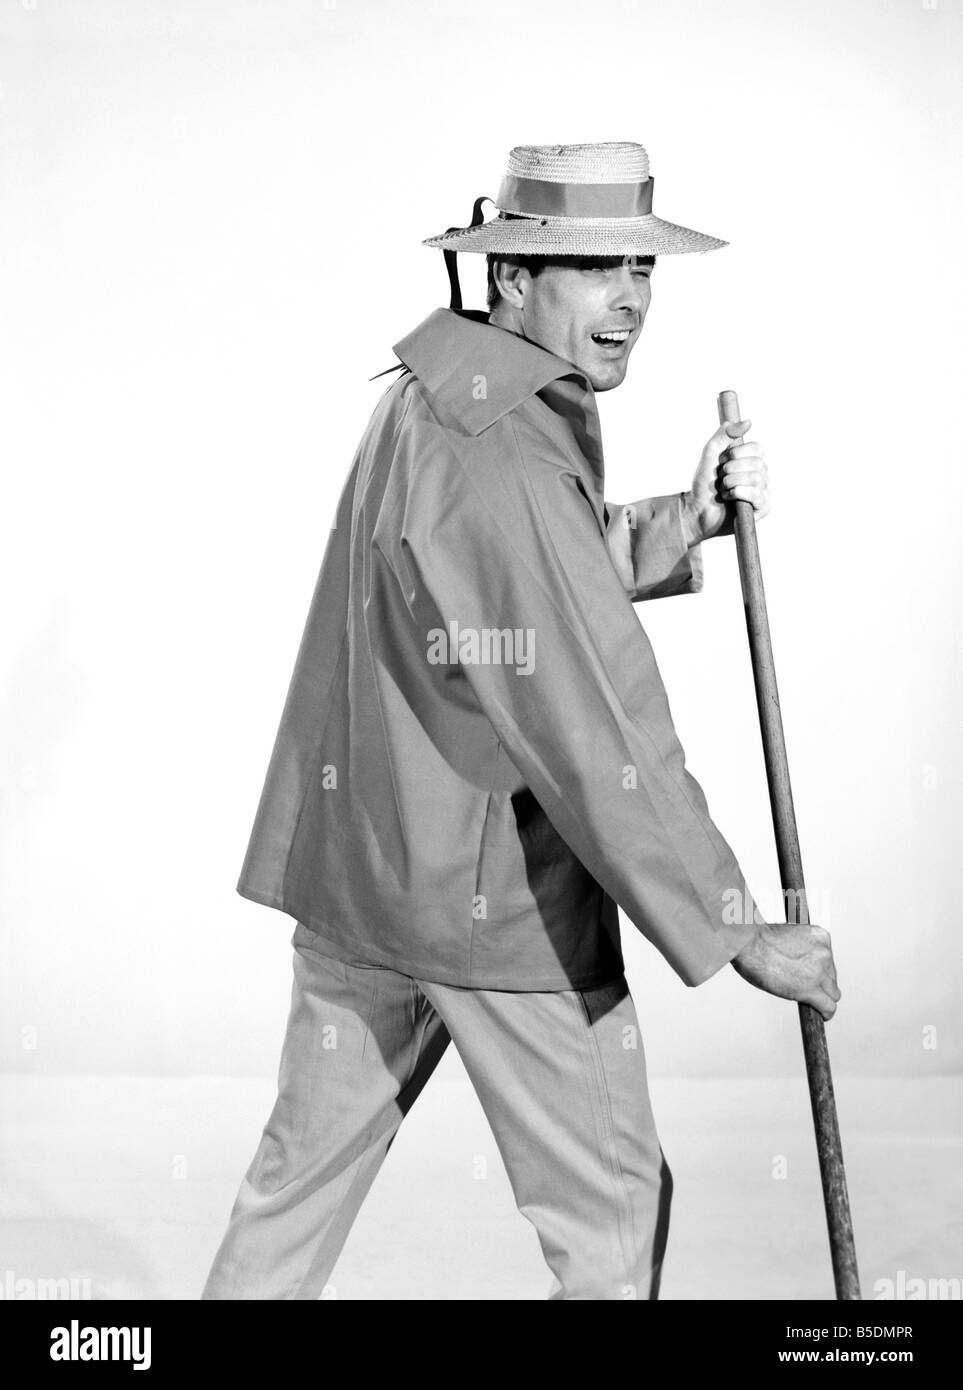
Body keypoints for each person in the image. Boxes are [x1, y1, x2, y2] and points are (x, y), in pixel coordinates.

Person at [201, 141, 840, 1301]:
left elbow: (510, 596)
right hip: (497, 917)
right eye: (595, 266)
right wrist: (740, 926)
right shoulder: (507, 442)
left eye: (640, 266)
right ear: (508, 278)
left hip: (364, 890)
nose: (631, 299)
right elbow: (597, 722)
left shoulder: (438, 396)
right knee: (613, 1225)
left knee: (286, 1208)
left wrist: (677, 521)